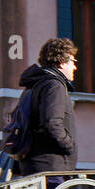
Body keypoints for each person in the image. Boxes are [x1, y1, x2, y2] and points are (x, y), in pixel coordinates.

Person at [17, 37, 78, 176]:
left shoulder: (34, 85)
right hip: (50, 167)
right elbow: (52, 123)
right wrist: (69, 146)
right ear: (62, 62)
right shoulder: (54, 85)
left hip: (34, 166)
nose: (75, 67)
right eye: (73, 62)